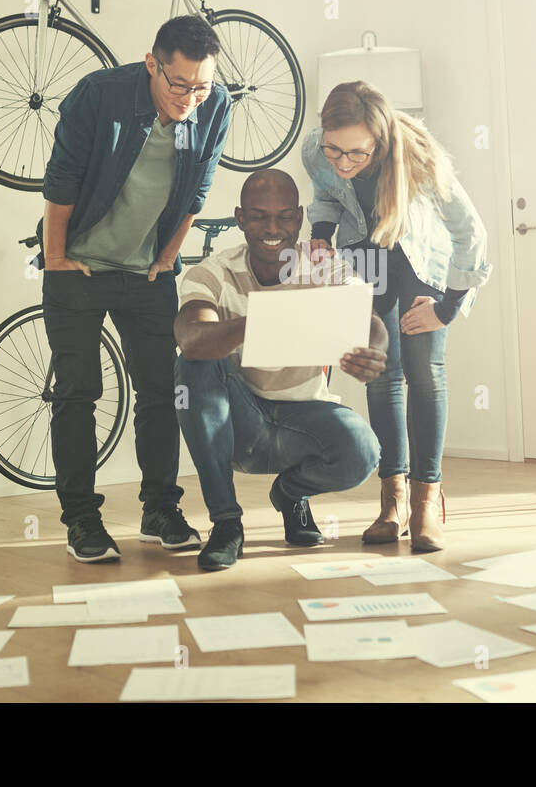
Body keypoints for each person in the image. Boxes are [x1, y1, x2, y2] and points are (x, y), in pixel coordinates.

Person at [37, 15, 231, 563]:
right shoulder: (100, 96)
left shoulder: (214, 106)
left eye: (203, 86)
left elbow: (199, 189)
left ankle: (160, 509)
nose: (192, 98)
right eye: (180, 85)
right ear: (153, 64)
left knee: (161, 391)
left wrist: (167, 258)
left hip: (146, 271)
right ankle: (82, 520)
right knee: (78, 393)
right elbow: (62, 180)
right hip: (78, 265)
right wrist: (55, 260)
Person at [301, 81, 491, 551]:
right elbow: (328, 194)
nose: (343, 163)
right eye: (334, 150)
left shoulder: (417, 158)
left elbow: (472, 235)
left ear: (380, 142)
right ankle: (394, 499)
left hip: (419, 258)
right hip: (366, 257)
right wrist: (322, 233)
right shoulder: (316, 150)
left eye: (357, 155)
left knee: (425, 373)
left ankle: (428, 499)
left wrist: (446, 308)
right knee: (381, 374)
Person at [174, 169, 388, 571]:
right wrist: (263, 319)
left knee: (363, 451)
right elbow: (191, 337)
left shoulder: (325, 265)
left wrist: (375, 350)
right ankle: (226, 523)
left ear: (301, 216)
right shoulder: (212, 272)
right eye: (258, 216)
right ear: (240, 218)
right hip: (239, 424)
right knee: (193, 364)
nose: (273, 228)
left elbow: (370, 322)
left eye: (285, 216)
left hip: (303, 421)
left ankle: (291, 494)